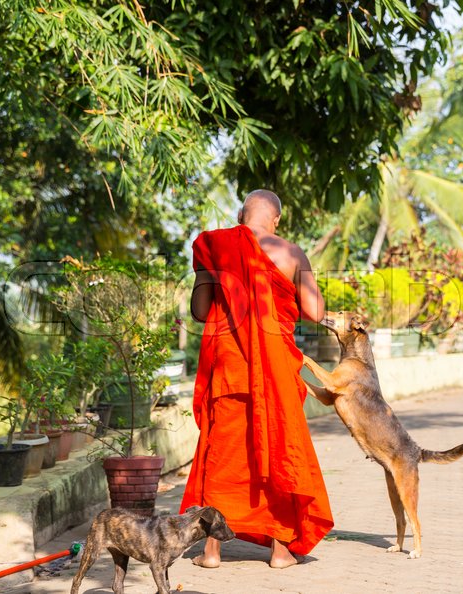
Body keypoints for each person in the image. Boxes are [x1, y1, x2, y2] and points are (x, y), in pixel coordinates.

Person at [179, 189, 333, 569]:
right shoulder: (292, 253)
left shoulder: (215, 246)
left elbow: (200, 311)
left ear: (241, 214)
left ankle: (212, 551)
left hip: (229, 367)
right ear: (276, 219)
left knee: (222, 455)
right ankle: (280, 552)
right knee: (279, 449)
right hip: (276, 369)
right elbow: (314, 312)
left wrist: (208, 275)